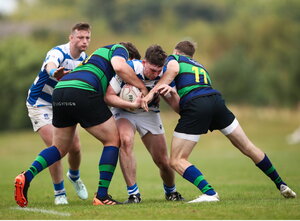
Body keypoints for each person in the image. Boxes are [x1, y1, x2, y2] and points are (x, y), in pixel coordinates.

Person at [141, 40, 297, 203]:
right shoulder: (201, 67)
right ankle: (282, 185)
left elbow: (172, 71)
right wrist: (171, 94)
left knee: (176, 160)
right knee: (248, 147)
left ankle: (209, 193)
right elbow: (182, 107)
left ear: (177, 52)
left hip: (197, 104)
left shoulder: (175, 59)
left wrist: (151, 93)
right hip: (216, 101)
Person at [14, 42, 148, 207]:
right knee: (113, 140)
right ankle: (102, 195)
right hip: (83, 90)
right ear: (129, 57)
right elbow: (120, 67)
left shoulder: (95, 58)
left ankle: (26, 176)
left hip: (61, 90)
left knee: (59, 148)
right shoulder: (119, 49)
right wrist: (142, 87)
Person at [105, 44, 184, 203]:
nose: (155, 74)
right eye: (152, 70)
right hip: (124, 112)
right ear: (144, 63)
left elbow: (178, 107)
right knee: (125, 141)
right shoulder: (130, 69)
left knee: (162, 160)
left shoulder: (164, 75)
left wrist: (173, 94)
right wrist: (131, 104)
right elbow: (108, 97)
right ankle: (134, 194)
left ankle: (171, 192)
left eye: (158, 71)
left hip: (149, 114)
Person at [26, 22, 91, 205]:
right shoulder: (58, 52)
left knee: (76, 148)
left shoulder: (84, 58)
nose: (84, 41)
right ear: (71, 38)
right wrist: (55, 72)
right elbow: (50, 65)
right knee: (56, 149)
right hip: (40, 103)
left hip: (61, 103)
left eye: (87, 38)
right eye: (80, 37)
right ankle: (59, 193)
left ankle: (74, 176)